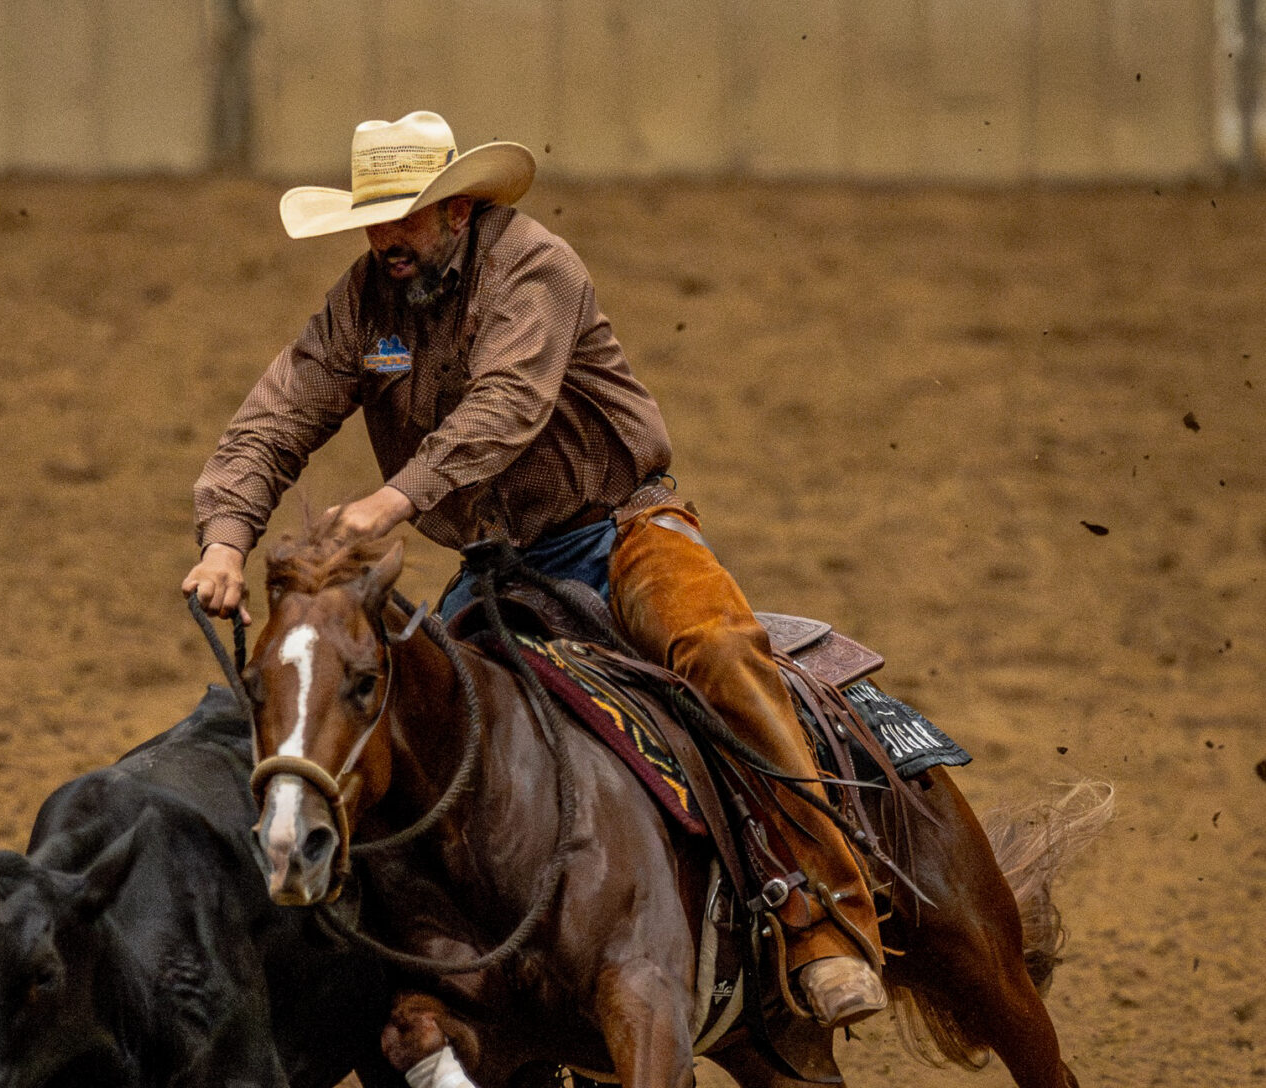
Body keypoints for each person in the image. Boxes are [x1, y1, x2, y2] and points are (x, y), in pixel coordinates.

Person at [185, 111, 885, 1028]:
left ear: (459, 210)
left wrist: (393, 501)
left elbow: (508, 404)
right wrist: (225, 538)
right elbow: (275, 420)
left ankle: (827, 917)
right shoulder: (362, 303)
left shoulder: (534, 267)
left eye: (405, 217)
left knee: (720, 655)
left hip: (621, 530)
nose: (385, 238)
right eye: (373, 219)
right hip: (495, 565)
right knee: (405, 724)